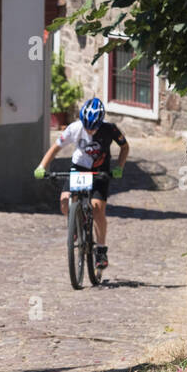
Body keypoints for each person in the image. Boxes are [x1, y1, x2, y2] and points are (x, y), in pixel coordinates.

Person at [34, 95, 129, 270]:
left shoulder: (110, 129)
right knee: (64, 201)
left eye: (93, 128)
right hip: (79, 168)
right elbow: (55, 148)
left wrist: (119, 167)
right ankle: (75, 226)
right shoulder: (74, 128)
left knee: (97, 208)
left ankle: (101, 249)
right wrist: (42, 166)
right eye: (87, 127)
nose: (90, 131)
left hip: (100, 171)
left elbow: (125, 147)